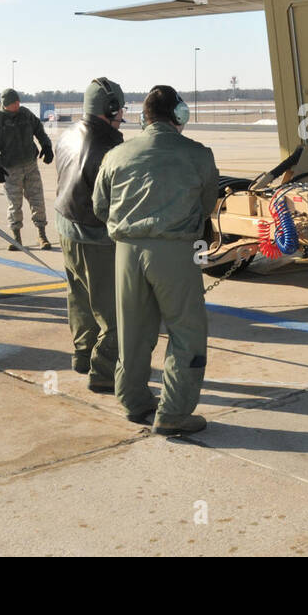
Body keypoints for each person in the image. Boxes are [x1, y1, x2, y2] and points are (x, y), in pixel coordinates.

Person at [93, 85, 218, 435]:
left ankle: (133, 401)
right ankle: (173, 413)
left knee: (132, 331)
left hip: (126, 252)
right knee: (187, 332)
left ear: (143, 118)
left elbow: (100, 206)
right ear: (178, 114)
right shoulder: (198, 154)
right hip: (174, 251)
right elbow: (207, 204)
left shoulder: (116, 154)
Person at [54, 78, 126, 392]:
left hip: (66, 226)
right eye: (120, 108)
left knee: (79, 297)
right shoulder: (110, 147)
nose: (122, 114)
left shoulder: (67, 134)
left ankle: (83, 354)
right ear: (110, 108)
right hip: (94, 236)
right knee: (113, 310)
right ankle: (104, 371)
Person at [0, 88, 54, 250]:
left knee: (37, 200)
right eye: (14, 103)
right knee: (14, 204)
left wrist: (46, 146)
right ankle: (16, 237)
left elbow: (39, 130)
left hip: (30, 165)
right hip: (10, 169)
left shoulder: (25, 114)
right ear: (6, 104)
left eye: (18, 102)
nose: (17, 104)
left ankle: (42, 235)